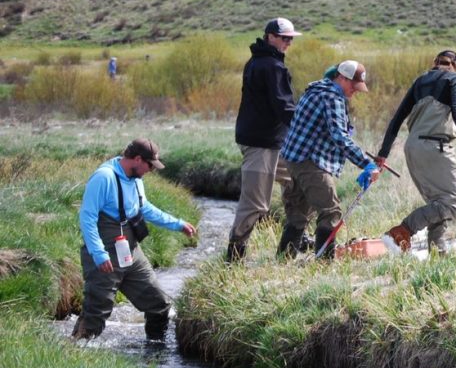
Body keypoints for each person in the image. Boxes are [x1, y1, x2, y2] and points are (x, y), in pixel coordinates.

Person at [72, 139, 196, 340]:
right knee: (96, 314)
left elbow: (145, 208)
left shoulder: (137, 179)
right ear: (137, 159)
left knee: (159, 305)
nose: (151, 170)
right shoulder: (103, 178)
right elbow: (87, 218)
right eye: (150, 165)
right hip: (105, 254)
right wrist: (98, 253)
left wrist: (178, 224)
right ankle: (76, 352)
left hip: (131, 252)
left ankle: (155, 353)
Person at [375, 50, 456, 254]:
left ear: (435, 63)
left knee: (438, 203)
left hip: (413, 147)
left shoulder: (420, 81)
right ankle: (401, 232)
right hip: (435, 147)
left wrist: (382, 154)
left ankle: (438, 254)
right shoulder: (455, 79)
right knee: (451, 203)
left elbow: (396, 120)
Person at [279, 61, 380, 259]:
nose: (355, 91)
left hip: (295, 157)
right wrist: (366, 164)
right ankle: (324, 262)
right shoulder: (332, 96)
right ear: (341, 78)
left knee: (299, 213)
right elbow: (339, 136)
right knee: (330, 211)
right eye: (353, 85)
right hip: (309, 159)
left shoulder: (317, 89)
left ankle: (283, 259)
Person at [225, 17, 305, 262]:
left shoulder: (260, 61)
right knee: (255, 204)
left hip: (272, 142)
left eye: (291, 38)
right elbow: (283, 107)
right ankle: (234, 259)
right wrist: (308, 127)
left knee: (299, 183)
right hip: (261, 144)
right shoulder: (270, 66)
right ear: (271, 36)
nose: (289, 43)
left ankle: (295, 240)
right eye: (285, 38)